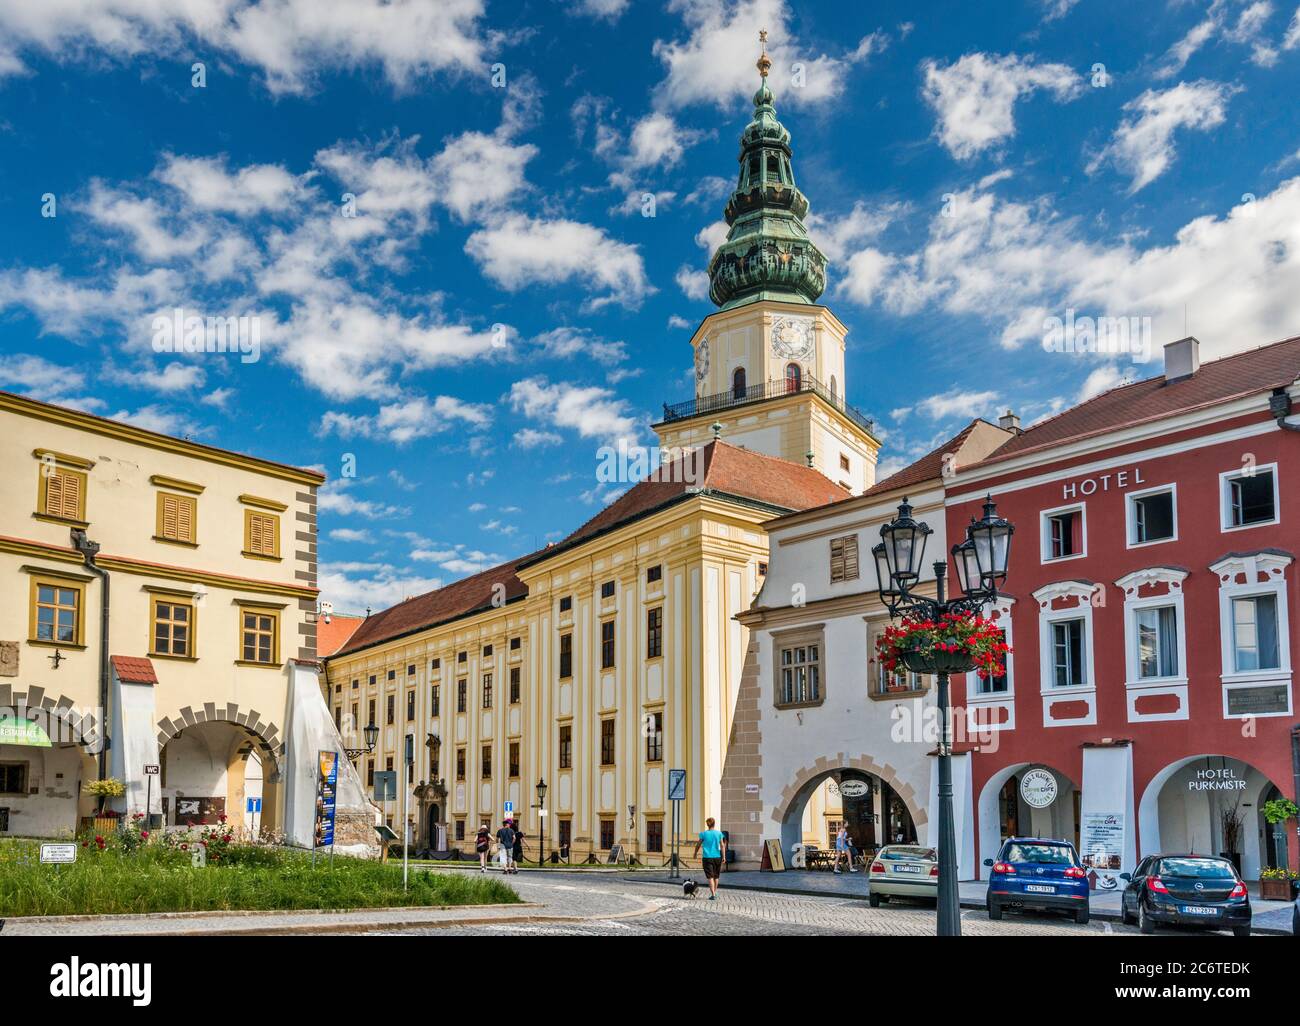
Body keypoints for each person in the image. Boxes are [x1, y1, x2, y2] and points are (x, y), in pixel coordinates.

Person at [693, 817, 727, 899]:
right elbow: (722, 845)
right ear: (714, 824)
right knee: (716, 876)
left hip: (707, 857)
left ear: (707, 825)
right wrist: (724, 856)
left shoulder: (704, 834)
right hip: (717, 857)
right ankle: (714, 892)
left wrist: (695, 853)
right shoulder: (719, 834)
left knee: (710, 877)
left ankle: (713, 894)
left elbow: (698, 844)